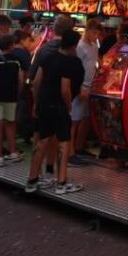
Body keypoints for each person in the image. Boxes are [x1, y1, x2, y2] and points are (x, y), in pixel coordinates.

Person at [26, 30, 84, 195]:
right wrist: (68, 106)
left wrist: (37, 104)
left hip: (44, 104)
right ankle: (62, 182)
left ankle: (32, 180)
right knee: (64, 142)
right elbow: (65, 89)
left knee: (42, 141)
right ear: (74, 46)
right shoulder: (70, 62)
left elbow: (36, 82)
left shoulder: (47, 58)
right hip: (58, 106)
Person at [0, 34, 27, 167]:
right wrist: (18, 94)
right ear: (11, 45)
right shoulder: (17, 61)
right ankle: (13, 152)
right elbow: (21, 81)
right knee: (10, 124)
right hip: (11, 97)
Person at [68, 19, 102, 163]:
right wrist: (80, 87)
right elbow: (75, 68)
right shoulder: (80, 47)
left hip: (90, 86)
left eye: (98, 33)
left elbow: (94, 64)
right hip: (80, 87)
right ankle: (70, 153)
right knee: (74, 121)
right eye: (94, 32)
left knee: (86, 119)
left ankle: (79, 147)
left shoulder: (94, 46)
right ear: (87, 30)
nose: (96, 36)